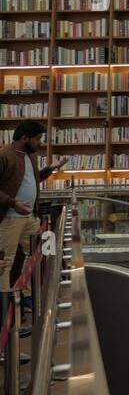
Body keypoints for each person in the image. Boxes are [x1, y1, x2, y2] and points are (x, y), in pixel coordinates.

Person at [0, 120, 68, 296]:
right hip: (10, 217)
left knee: (42, 252)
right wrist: (13, 203)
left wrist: (50, 169)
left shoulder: (30, 155)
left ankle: (27, 294)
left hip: (30, 216)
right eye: (37, 139)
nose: (40, 142)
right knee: (4, 262)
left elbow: (31, 180)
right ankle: (5, 304)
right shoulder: (4, 155)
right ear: (24, 138)